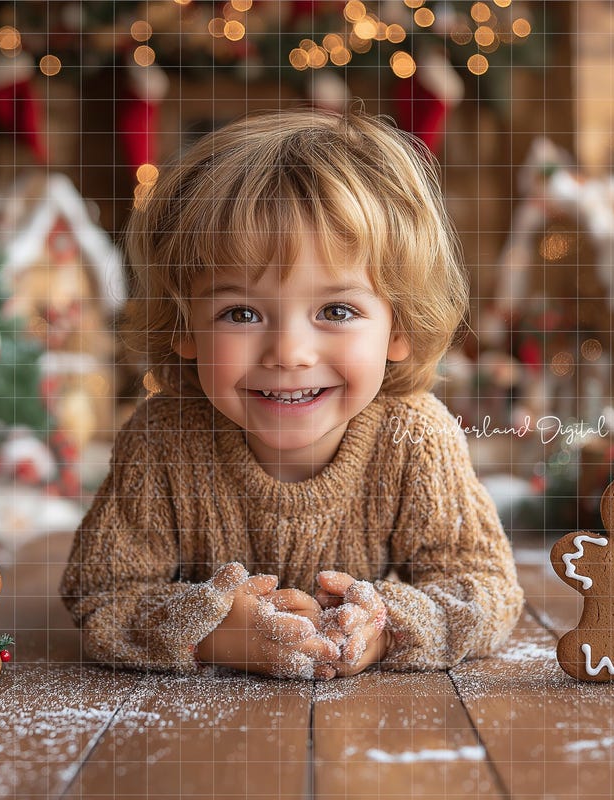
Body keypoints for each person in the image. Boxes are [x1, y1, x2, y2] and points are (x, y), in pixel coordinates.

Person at [60, 106, 523, 680]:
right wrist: (216, 633)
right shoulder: (162, 442)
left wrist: (384, 627)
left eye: (336, 310)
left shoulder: (415, 440)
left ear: (399, 327)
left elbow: (485, 589)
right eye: (242, 312)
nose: (290, 351)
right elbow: (101, 593)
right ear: (184, 328)